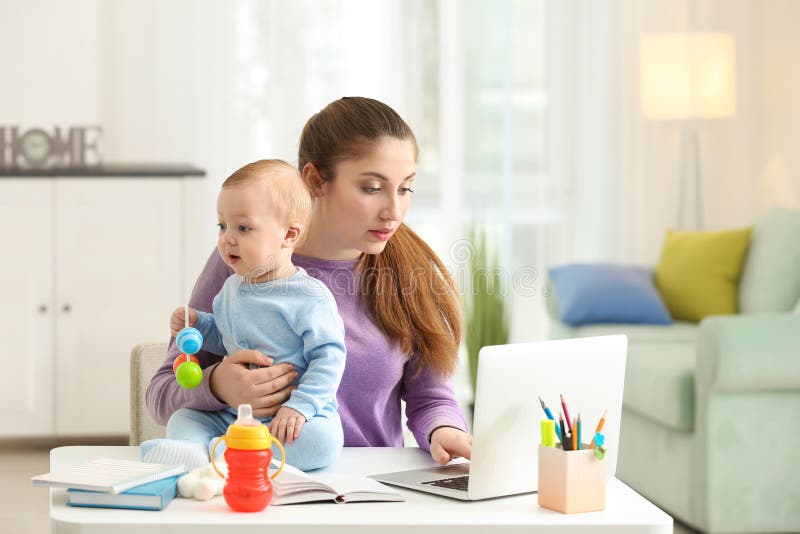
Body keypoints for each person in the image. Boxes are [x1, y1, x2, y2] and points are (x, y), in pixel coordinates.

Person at [147, 96, 473, 467]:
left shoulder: (410, 273)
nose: (394, 211)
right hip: (257, 485)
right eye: (371, 188)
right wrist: (219, 385)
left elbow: (432, 399)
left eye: (405, 188)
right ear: (315, 180)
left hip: (370, 491)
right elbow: (161, 394)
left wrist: (445, 430)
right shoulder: (243, 262)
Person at [143, 159, 346, 474]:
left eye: (243, 228)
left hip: (290, 417)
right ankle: (199, 450)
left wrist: (299, 408)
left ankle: (218, 452)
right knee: (184, 418)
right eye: (222, 226)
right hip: (236, 414)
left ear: (289, 234)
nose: (228, 238)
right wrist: (197, 323)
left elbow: (329, 359)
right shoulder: (231, 288)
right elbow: (225, 337)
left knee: (323, 442)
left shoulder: (310, 296)